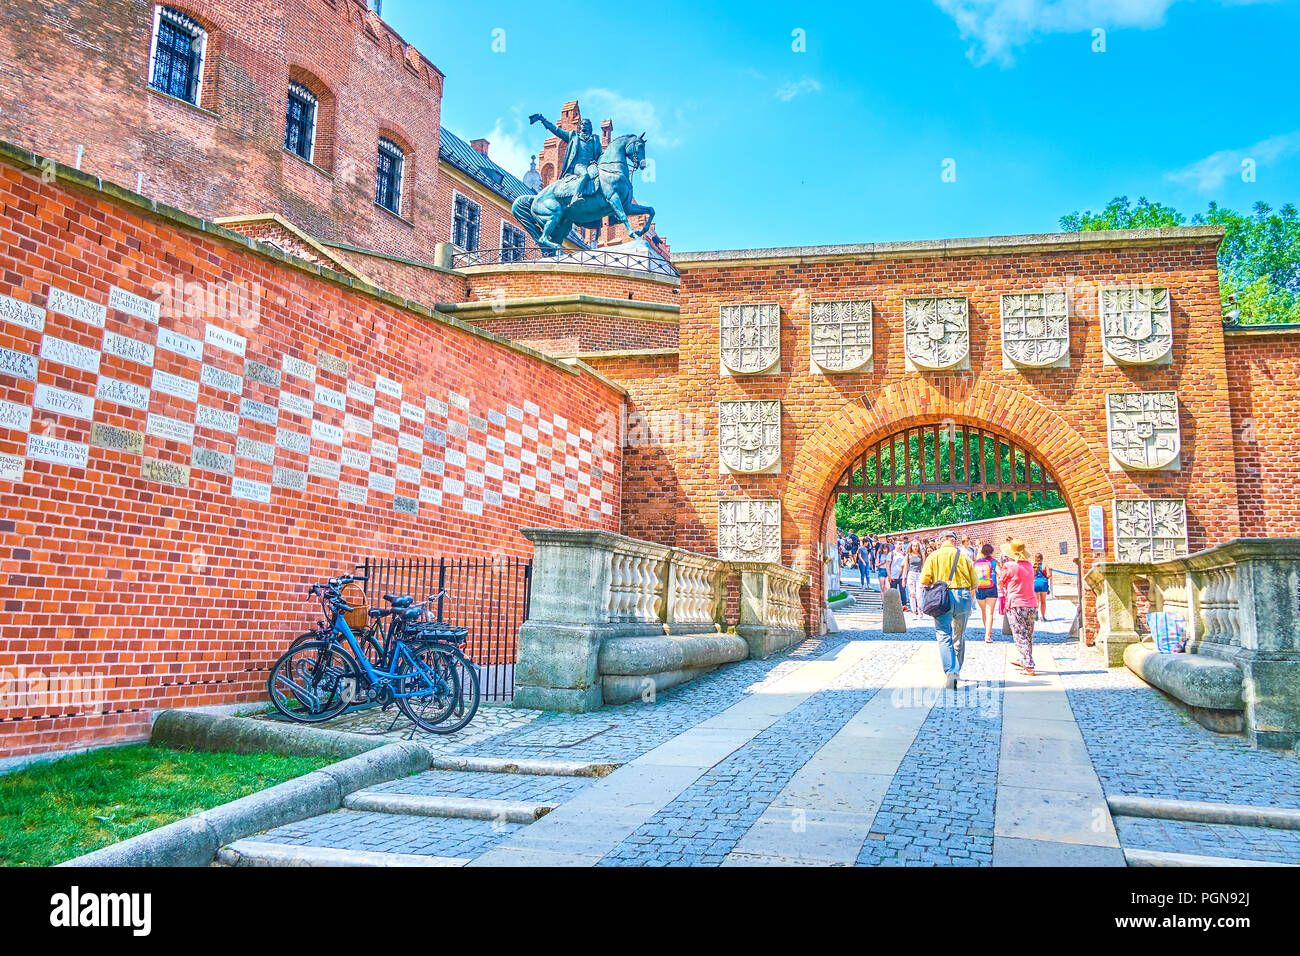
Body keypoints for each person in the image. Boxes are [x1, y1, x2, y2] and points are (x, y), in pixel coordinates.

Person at [919, 530, 976, 688]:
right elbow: (974, 583)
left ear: (941, 541)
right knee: (960, 635)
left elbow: (924, 580)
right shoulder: (964, 556)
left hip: (942, 598)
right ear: (955, 541)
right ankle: (957, 669)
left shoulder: (933, 556)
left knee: (944, 634)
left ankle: (951, 671)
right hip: (963, 596)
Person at [1000, 540, 1039, 676]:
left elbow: (1001, 581)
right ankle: (1024, 658)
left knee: (1019, 634)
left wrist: (999, 570)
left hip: (1016, 604)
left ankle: (1028, 665)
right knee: (1028, 634)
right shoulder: (1029, 565)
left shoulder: (1009, 565)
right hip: (1031, 604)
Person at [973, 543, 998, 643]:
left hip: (980, 589)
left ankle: (987, 631)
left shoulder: (977, 562)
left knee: (984, 612)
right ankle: (988, 635)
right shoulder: (994, 562)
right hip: (991, 588)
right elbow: (1000, 573)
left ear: (982, 552)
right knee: (990, 613)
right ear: (992, 552)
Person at [905, 540, 924, 620]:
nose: (915, 547)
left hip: (919, 574)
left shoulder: (921, 555)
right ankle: (914, 612)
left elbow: (923, 566)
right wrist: (904, 579)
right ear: (911, 547)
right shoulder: (908, 555)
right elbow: (906, 567)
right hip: (911, 574)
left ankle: (920, 609)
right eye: (914, 546)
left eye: (916, 546)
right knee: (912, 594)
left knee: (919, 595)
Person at [888, 542, 908, 609]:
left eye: (901, 544)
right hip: (893, 575)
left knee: (903, 590)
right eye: (899, 544)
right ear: (895, 545)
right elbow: (888, 565)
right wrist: (889, 575)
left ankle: (904, 604)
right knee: (893, 591)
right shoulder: (891, 554)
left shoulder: (904, 554)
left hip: (901, 575)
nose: (900, 545)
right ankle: (893, 605)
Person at [1033, 553, 1052, 620]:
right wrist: (1046, 577)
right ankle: (1043, 617)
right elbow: (1049, 575)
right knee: (1043, 601)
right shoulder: (1045, 565)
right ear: (1042, 558)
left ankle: (1035, 614)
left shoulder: (1034, 566)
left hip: (1036, 583)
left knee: (1036, 600)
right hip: (1043, 583)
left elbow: (1032, 575)